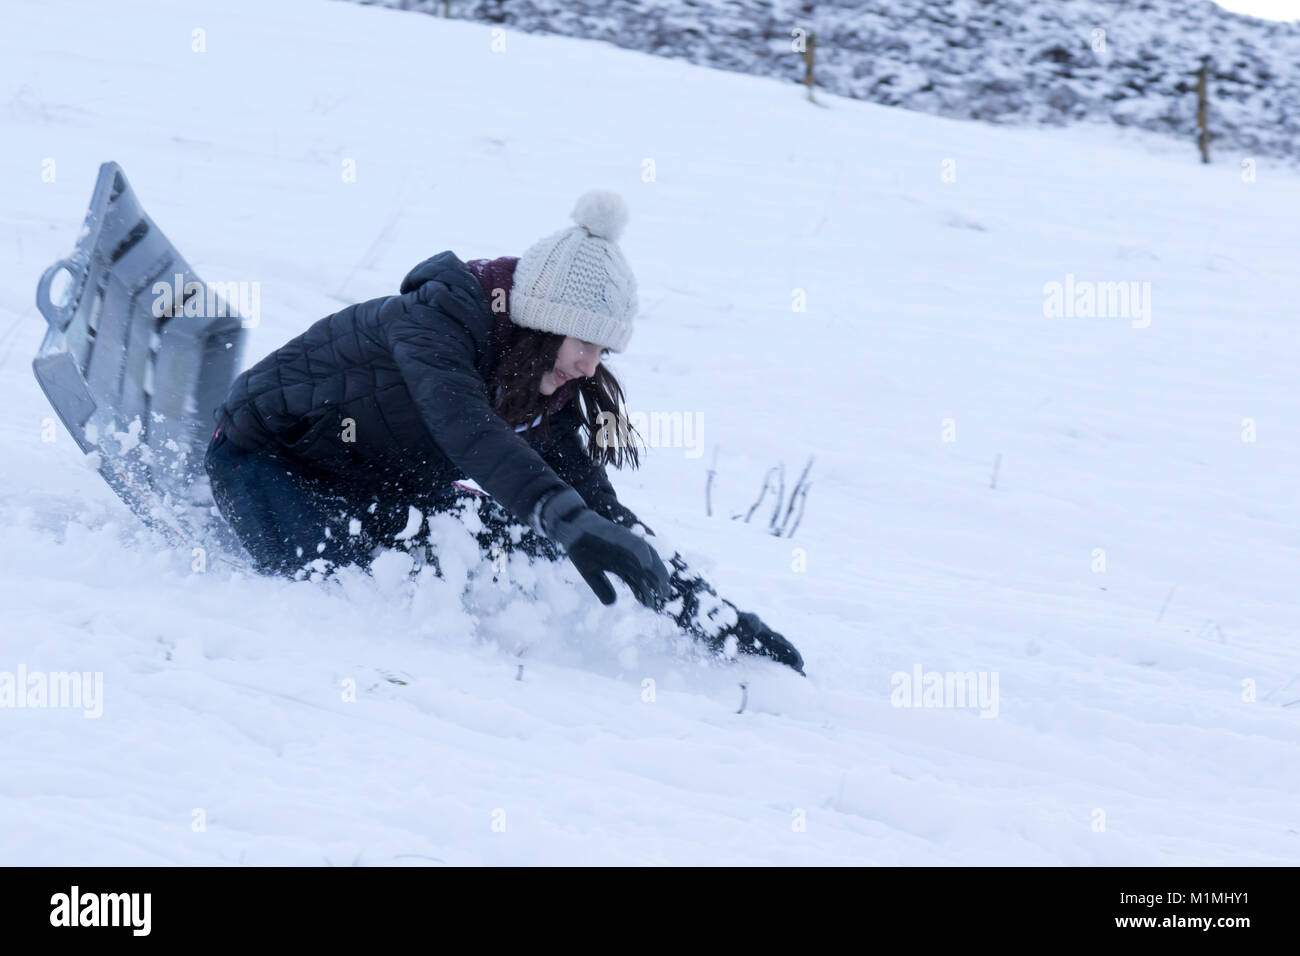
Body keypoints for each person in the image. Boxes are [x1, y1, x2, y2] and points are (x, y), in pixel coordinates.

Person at [204, 190, 803, 673]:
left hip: (377, 484)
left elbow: (600, 512)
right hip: (267, 463)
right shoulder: (433, 327)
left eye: (604, 350)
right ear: (545, 324)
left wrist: (717, 618)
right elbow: (467, 430)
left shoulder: (538, 383)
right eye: (586, 344)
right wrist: (561, 516)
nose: (592, 367)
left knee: (536, 545)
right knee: (331, 593)